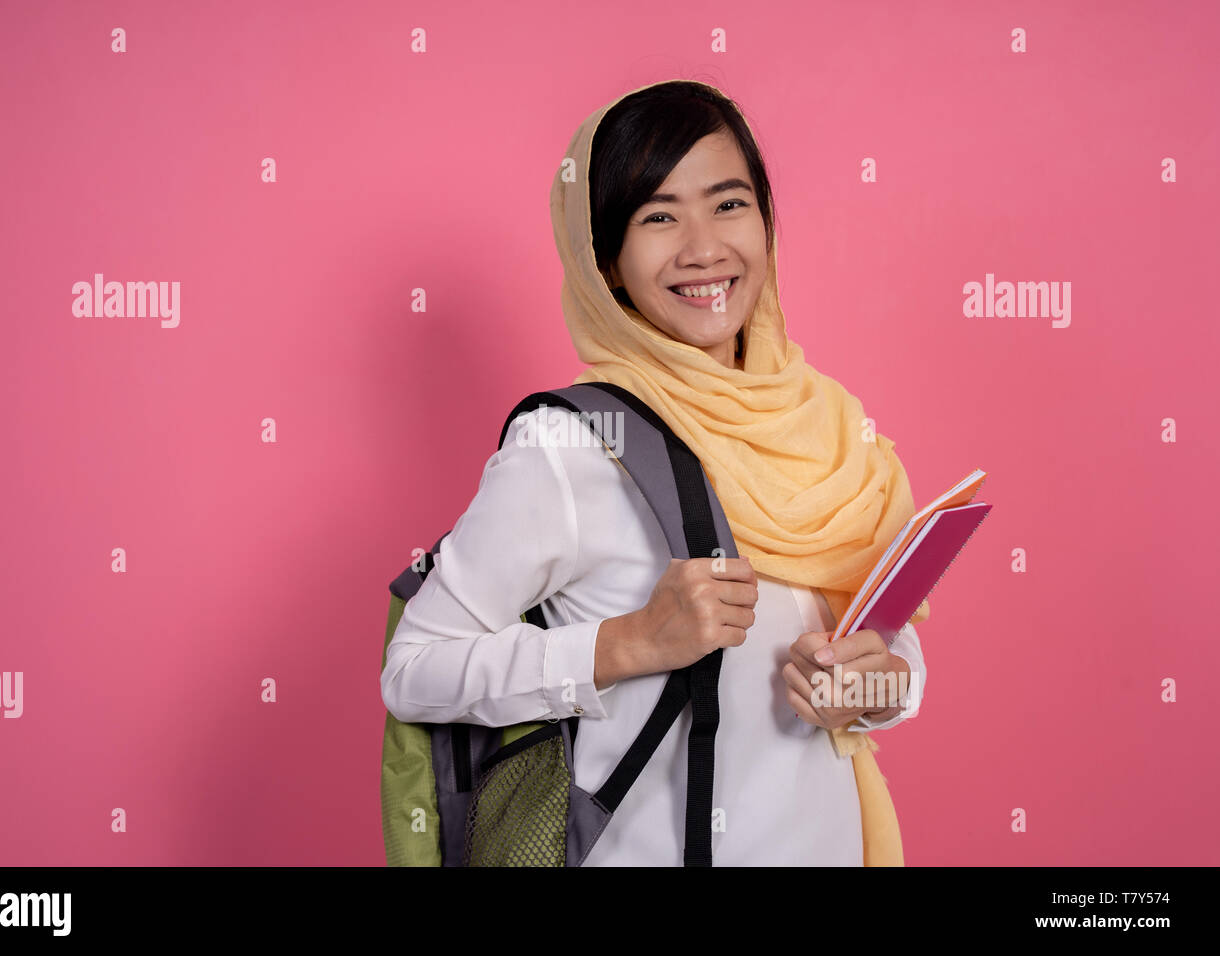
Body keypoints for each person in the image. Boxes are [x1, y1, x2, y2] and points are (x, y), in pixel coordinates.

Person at [381, 78, 931, 866]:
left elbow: (894, 655)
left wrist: (876, 689)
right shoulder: (569, 447)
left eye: (729, 204)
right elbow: (414, 673)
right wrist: (627, 643)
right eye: (659, 216)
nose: (703, 246)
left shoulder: (829, 429)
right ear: (605, 261)